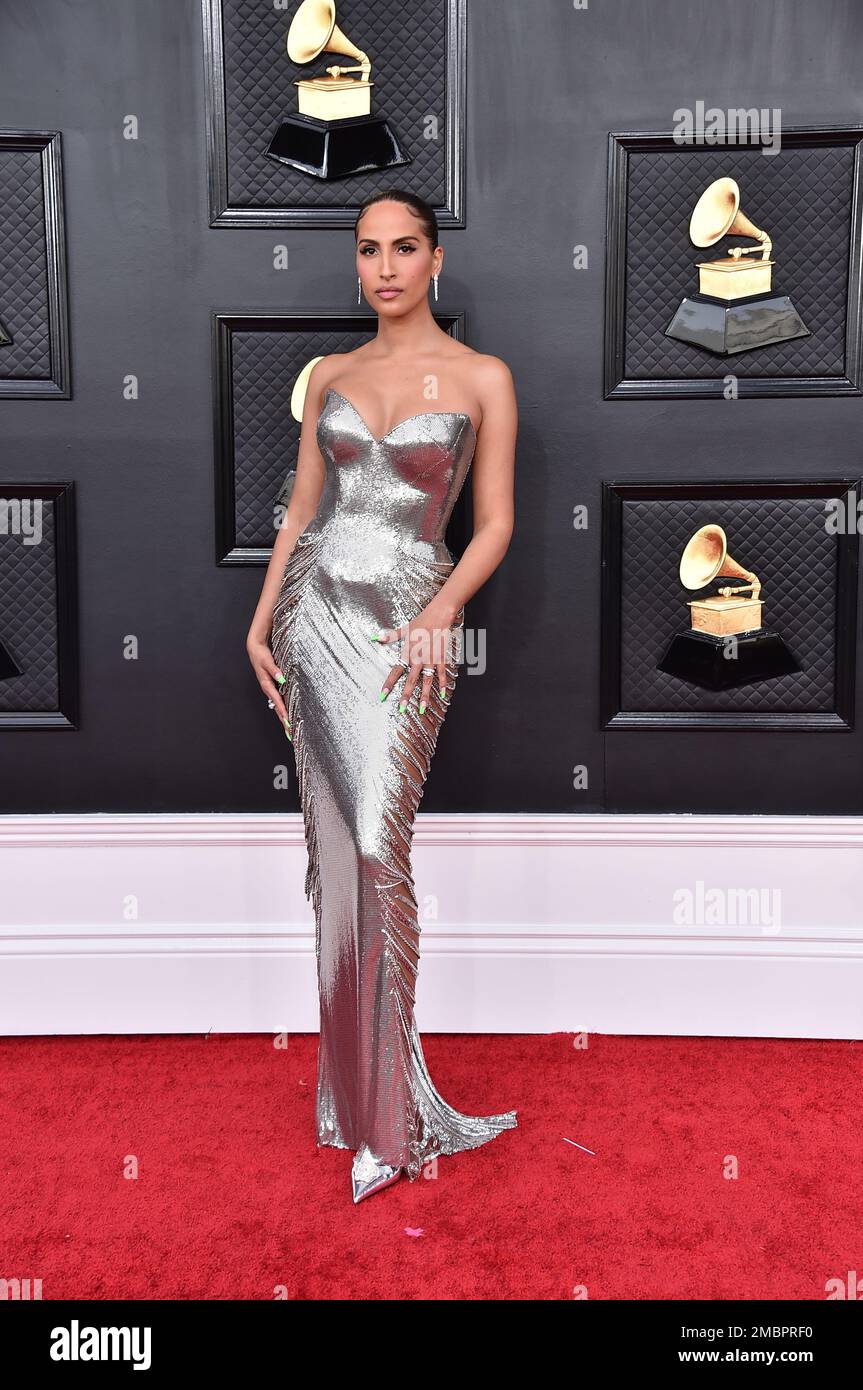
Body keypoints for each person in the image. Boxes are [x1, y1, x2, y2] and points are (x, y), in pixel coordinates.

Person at [246, 188, 518, 1202]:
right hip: (316, 617)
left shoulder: (485, 377)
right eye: (369, 250)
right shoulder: (330, 375)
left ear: (436, 259)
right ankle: (361, 1112)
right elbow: (300, 507)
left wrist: (446, 606)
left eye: (405, 247)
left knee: (375, 843)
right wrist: (260, 616)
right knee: (332, 852)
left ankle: (393, 1108)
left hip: (410, 624)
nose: (386, 266)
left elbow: (490, 522)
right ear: (355, 264)